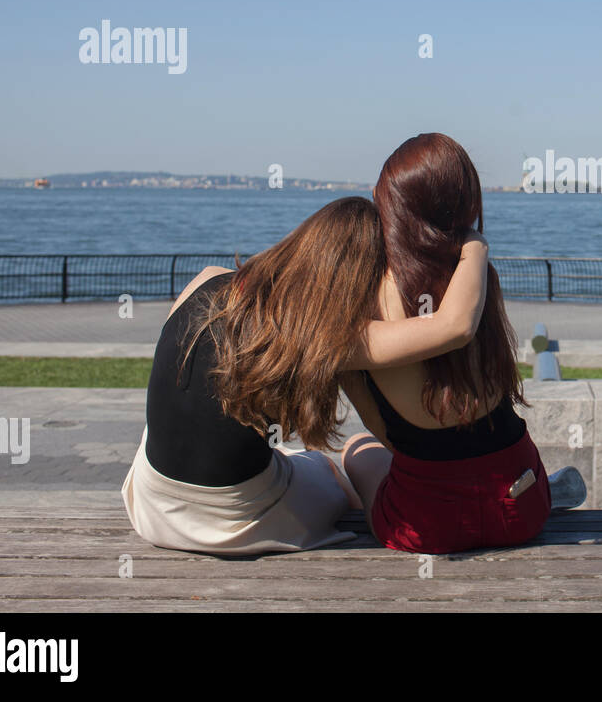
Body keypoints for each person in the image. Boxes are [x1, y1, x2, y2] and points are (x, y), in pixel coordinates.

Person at [121, 195, 489, 556]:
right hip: (234, 522)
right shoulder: (327, 340)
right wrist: (474, 243)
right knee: (331, 464)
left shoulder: (206, 280)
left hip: (151, 502)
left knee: (283, 455)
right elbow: (454, 326)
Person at [340, 133, 554, 554]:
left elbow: (383, 433)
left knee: (356, 449)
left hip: (426, 525)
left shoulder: (363, 298)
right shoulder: (477, 285)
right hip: (521, 509)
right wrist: (475, 245)